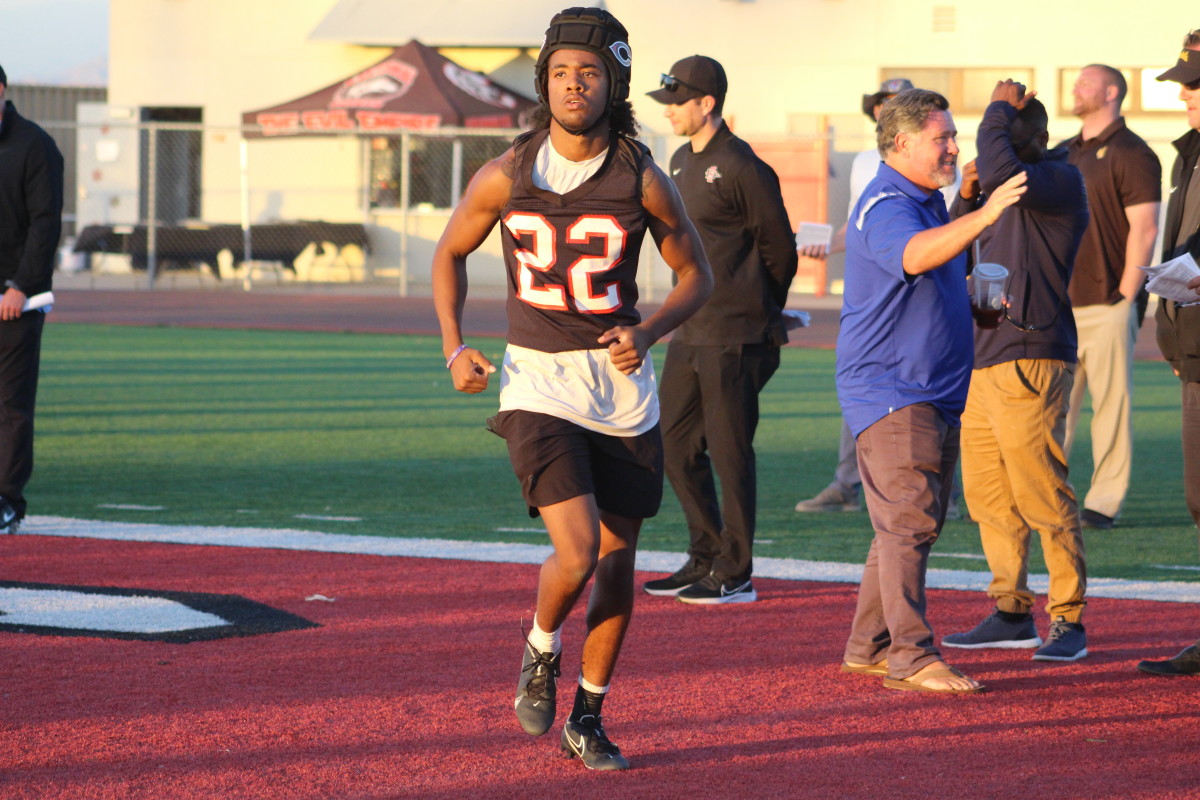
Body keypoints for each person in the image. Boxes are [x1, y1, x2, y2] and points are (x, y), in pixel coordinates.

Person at [431, 7, 712, 770]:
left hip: (620, 391)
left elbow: (698, 276)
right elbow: (450, 253)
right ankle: (539, 646)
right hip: (536, 383)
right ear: (543, 81)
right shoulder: (508, 172)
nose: (573, 84)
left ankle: (587, 717)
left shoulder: (642, 176)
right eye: (560, 71)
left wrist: (648, 333)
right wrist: (454, 346)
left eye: (589, 71)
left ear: (613, 80)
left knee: (618, 560)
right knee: (580, 549)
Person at [837, 88, 1026, 694]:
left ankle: (870, 645)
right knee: (908, 525)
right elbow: (916, 256)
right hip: (896, 391)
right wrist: (986, 212)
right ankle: (912, 657)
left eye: (952, 135)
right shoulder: (890, 203)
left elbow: (933, 266)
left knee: (904, 525)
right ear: (901, 143)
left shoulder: (924, 202)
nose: (953, 147)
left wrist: (974, 298)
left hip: (930, 391)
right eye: (941, 138)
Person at [639, 55, 797, 604]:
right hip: (691, 328)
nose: (669, 113)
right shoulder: (680, 160)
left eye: (677, 102)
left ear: (707, 104)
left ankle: (737, 571)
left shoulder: (743, 166)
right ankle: (705, 553)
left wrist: (759, 307)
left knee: (730, 451)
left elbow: (780, 248)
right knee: (673, 444)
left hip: (737, 333)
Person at [943, 81, 1091, 662]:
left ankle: (1069, 618)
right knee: (988, 496)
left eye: (1008, 134)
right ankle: (1010, 610)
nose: (993, 147)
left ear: (1037, 138)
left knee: (1041, 491)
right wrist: (967, 196)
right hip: (982, 357)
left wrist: (996, 109)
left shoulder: (1058, 180)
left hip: (1032, 355)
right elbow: (956, 246)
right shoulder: (998, 191)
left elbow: (1003, 162)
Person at [793, 78, 912, 515]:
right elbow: (858, 225)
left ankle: (946, 492)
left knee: (932, 389)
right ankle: (848, 483)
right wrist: (821, 244)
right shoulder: (865, 160)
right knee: (860, 384)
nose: (888, 108)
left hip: (918, 292)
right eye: (883, 102)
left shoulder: (938, 155)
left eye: (898, 102)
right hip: (873, 293)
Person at [1061, 64, 1162, 531]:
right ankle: (1047, 496)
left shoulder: (1132, 152)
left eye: (1084, 82)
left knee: (1110, 410)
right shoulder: (1061, 152)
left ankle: (1103, 503)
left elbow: (1145, 229)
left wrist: (1125, 296)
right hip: (1060, 306)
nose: (1075, 89)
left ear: (1111, 92)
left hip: (1107, 303)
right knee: (1051, 411)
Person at [1136, 31, 1200, 678]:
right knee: (1199, 497)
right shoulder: (1188, 156)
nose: (1185, 92)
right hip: (1193, 351)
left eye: (1196, 81)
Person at [0, 64, 64, 534]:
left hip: (17, 300)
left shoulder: (34, 145)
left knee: (11, 405)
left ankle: (6, 500)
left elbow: (45, 224)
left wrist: (20, 286)